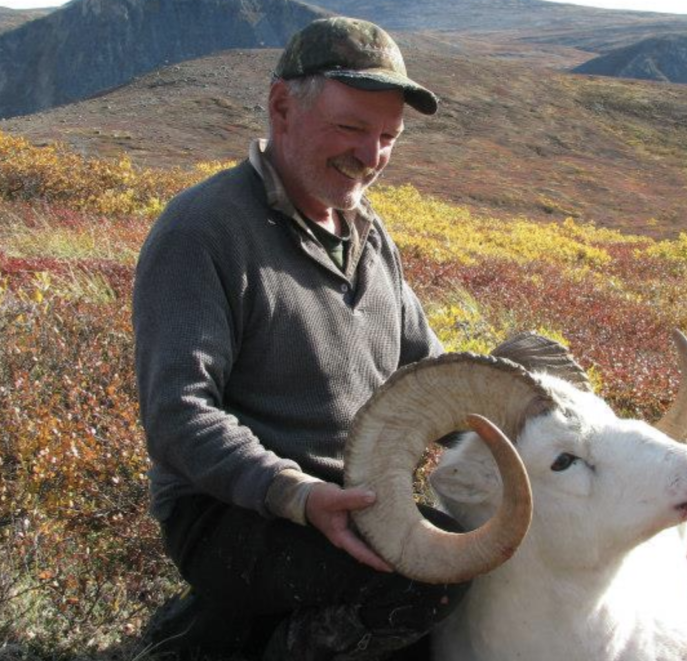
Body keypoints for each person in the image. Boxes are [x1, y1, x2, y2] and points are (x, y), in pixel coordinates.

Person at [132, 16, 464, 660]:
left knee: (452, 572)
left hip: (352, 501)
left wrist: (539, 427)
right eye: (350, 128)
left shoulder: (367, 236)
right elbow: (178, 413)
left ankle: (227, 626)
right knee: (434, 575)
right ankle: (227, 638)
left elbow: (428, 375)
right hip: (233, 513)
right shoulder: (201, 231)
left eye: (388, 137)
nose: (370, 158)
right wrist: (296, 495)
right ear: (282, 106)